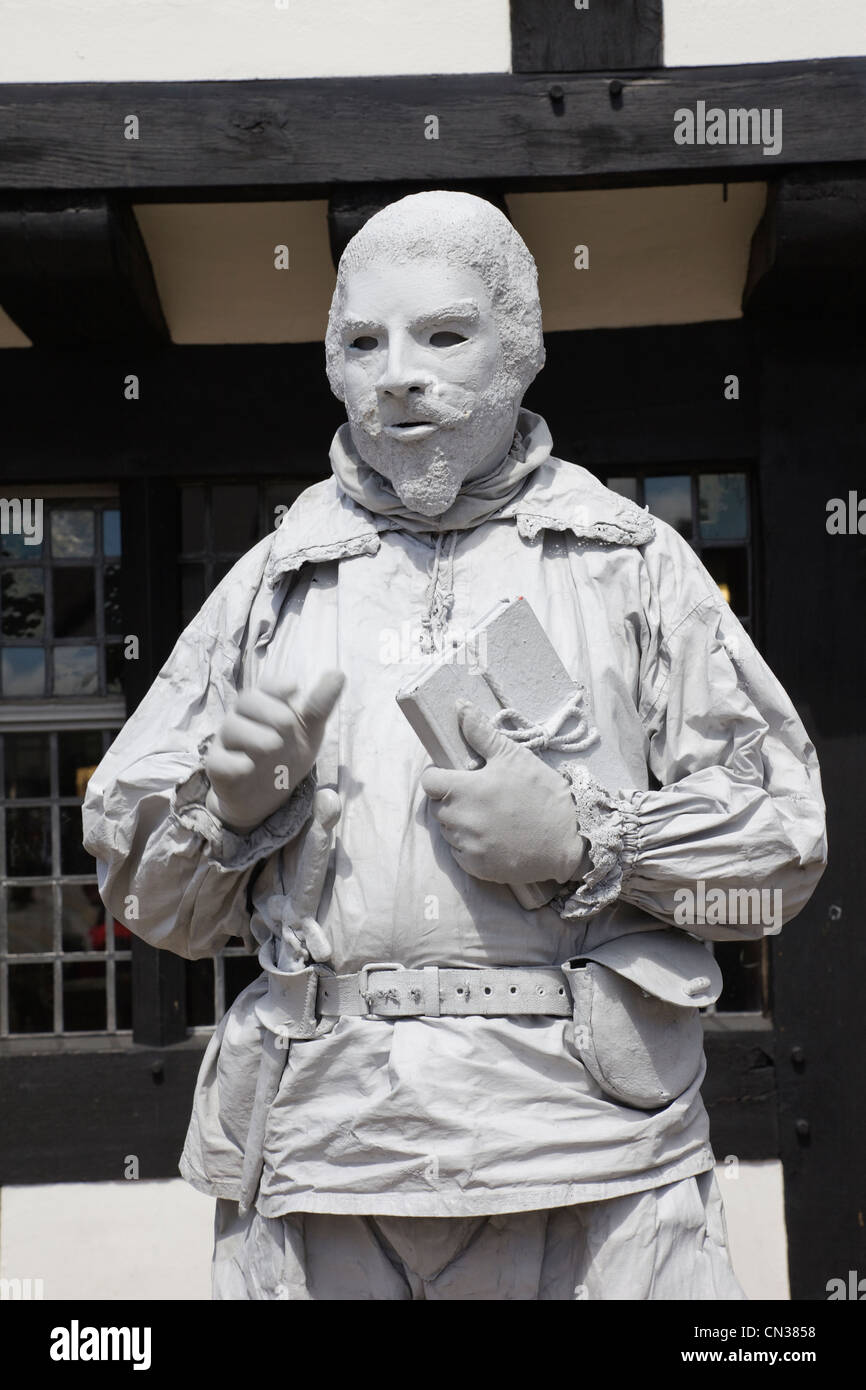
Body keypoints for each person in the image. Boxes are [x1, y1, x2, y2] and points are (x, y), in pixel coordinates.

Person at [83, 191, 826, 1301]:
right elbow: (147, 900)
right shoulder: (271, 588)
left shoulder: (630, 567)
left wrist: (586, 841)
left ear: (520, 350)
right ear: (330, 366)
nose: (397, 372)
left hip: (589, 1159)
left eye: (443, 333)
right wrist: (228, 817)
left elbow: (779, 854)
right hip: (326, 1154)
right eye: (363, 341)